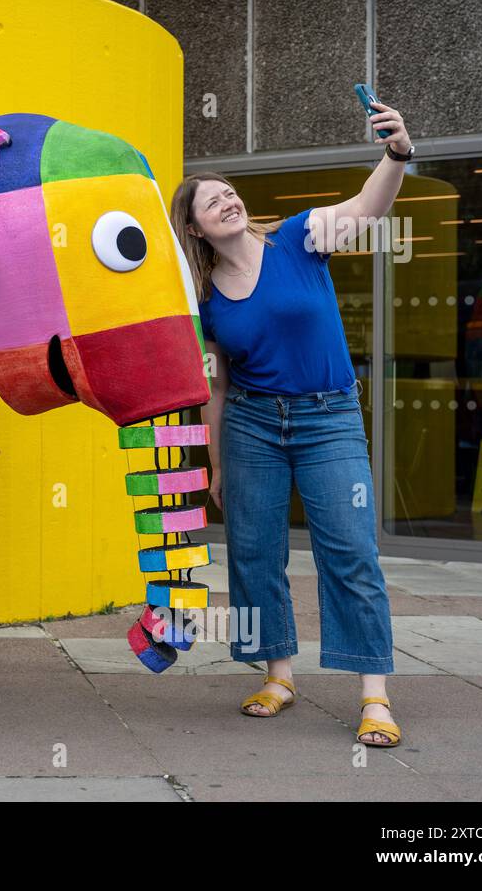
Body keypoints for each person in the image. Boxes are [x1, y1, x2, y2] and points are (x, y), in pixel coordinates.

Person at [170, 99, 415, 748]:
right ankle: (277, 675)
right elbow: (216, 387)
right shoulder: (206, 300)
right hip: (250, 425)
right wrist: (217, 464)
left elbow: (368, 208)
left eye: (229, 193)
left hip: (328, 416)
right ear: (193, 228)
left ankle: (374, 694)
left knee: (350, 550)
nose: (226, 201)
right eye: (210, 201)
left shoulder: (301, 238)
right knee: (252, 552)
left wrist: (395, 154)